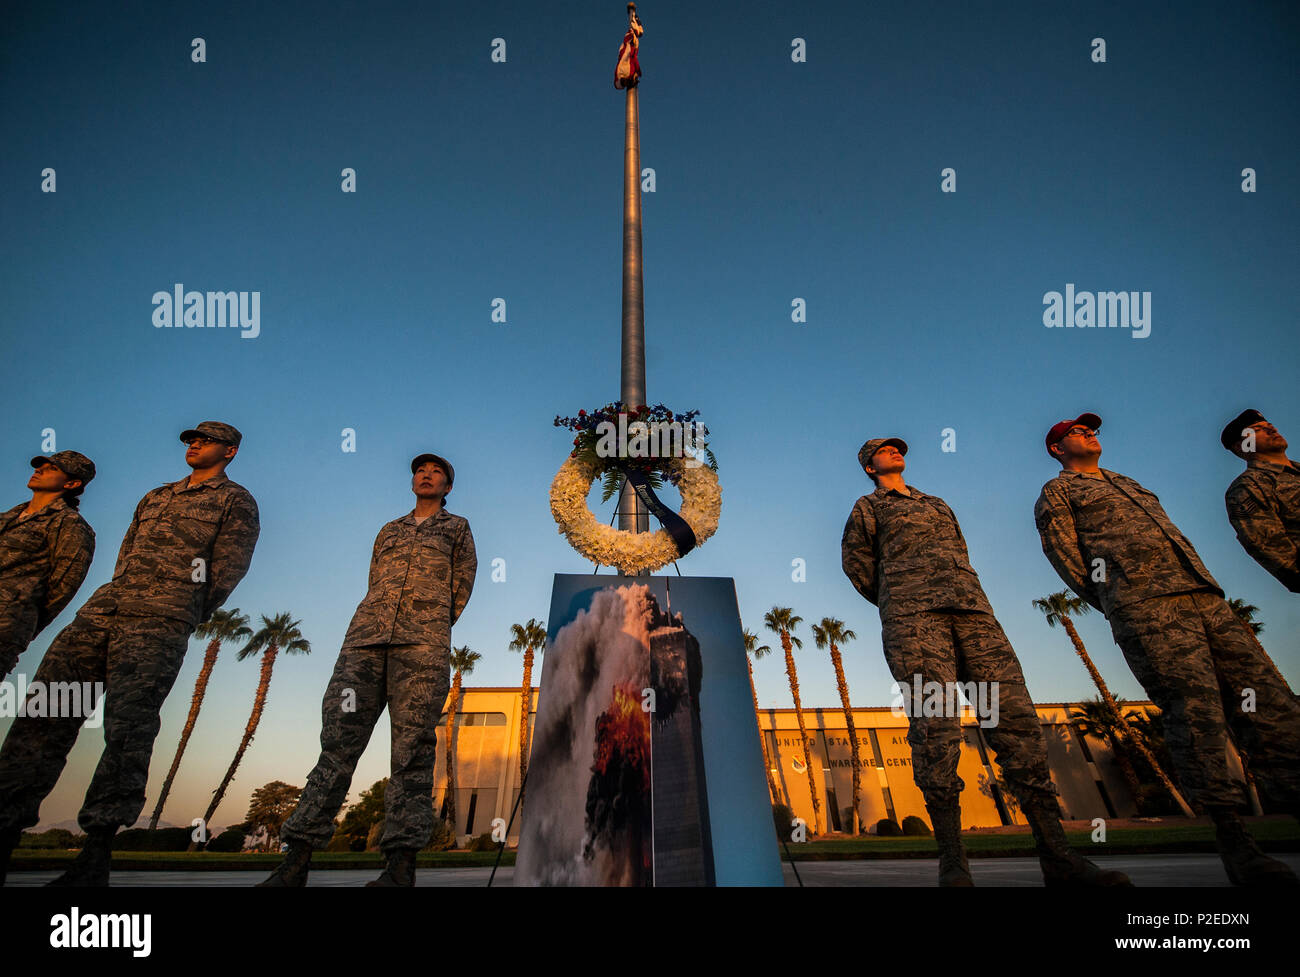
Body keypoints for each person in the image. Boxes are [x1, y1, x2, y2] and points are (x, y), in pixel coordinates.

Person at [842, 437, 1130, 887]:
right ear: (868, 466)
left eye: (898, 448)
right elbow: (858, 565)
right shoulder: (868, 507)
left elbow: (959, 551)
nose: (896, 452)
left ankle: (1058, 857)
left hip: (974, 614)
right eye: (884, 450)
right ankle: (953, 862)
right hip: (914, 620)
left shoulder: (936, 504)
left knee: (1015, 723)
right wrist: (898, 598)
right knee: (935, 727)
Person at [1035, 412, 1300, 886]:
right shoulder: (1058, 493)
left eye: (1090, 428)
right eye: (1076, 431)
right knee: (1195, 713)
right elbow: (1065, 556)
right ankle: (1235, 842)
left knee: (1274, 705)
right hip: (1146, 607)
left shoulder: (1129, 483)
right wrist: (1119, 597)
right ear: (1057, 448)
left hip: (1204, 597)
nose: (1089, 433)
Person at [0, 422, 259, 886]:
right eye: (189, 440)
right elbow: (127, 553)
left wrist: (184, 606)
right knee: (44, 712)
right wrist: (124, 590)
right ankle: (4, 830)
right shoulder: (155, 496)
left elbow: (228, 568)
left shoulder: (235, 500)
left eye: (203, 440)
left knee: (128, 725)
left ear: (230, 451)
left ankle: (97, 847)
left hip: (160, 617)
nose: (193, 444)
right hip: (106, 606)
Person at [261, 453, 476, 887]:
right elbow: (375, 578)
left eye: (436, 472)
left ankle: (400, 864)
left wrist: (429, 623)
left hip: (421, 646)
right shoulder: (389, 531)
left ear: (448, 487)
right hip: (364, 643)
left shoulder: (457, 529)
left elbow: (462, 585)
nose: (426, 475)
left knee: (412, 750)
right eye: (420, 470)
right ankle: (297, 858)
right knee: (337, 744)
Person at [0, 451, 97, 679]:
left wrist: (23, 621)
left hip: (5, 623)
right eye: (40, 466)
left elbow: (64, 585)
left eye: (52, 469)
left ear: (72, 483)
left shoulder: (70, 525)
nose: (39, 470)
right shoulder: (6, 517)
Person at [1221, 409, 1300, 593]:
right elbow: (1267, 546)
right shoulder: (1249, 487)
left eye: (1270, 426)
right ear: (1243, 446)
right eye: (1257, 430)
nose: (1272, 430)